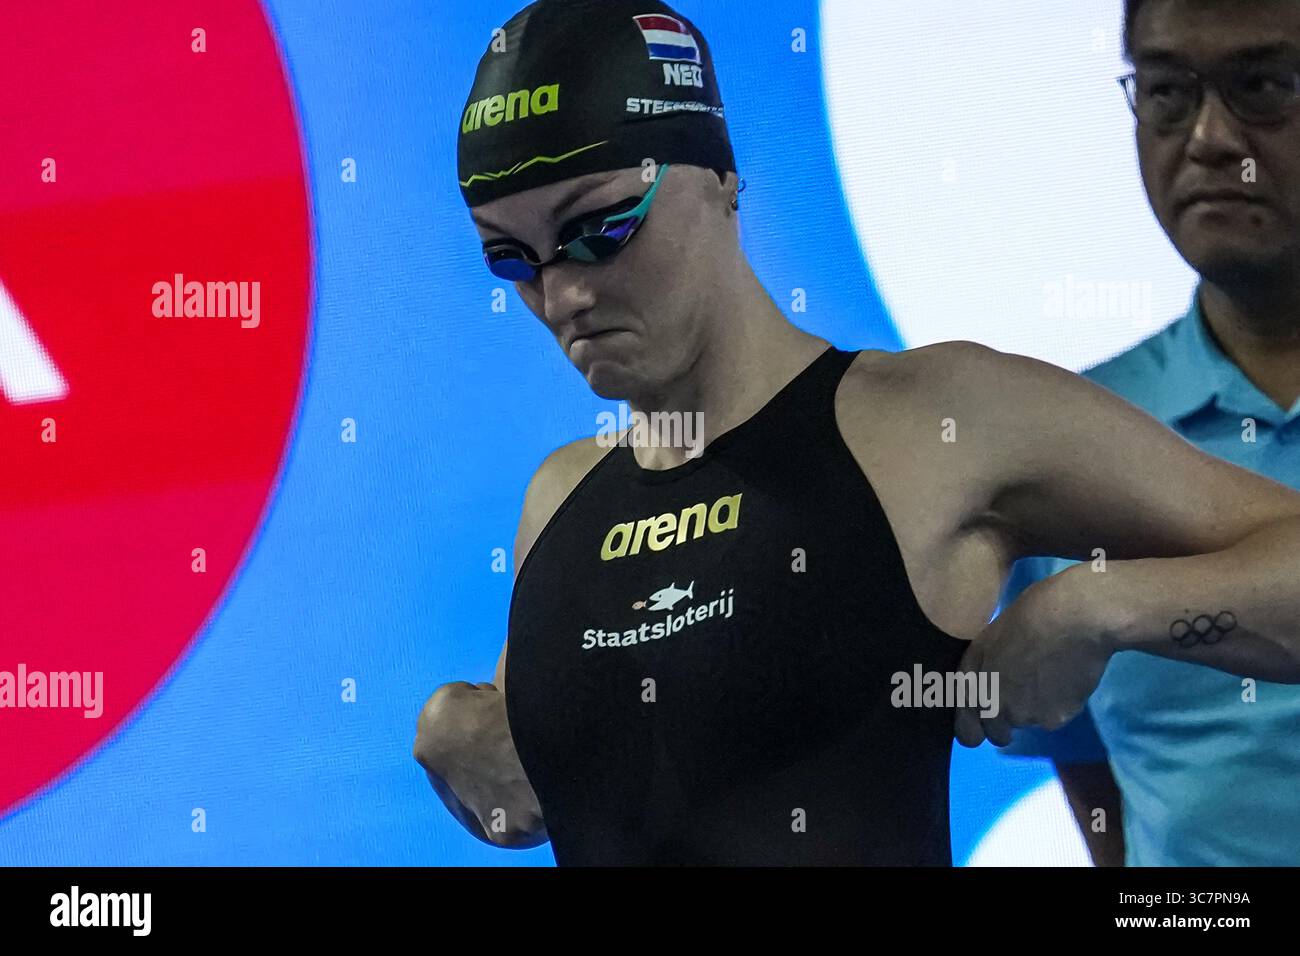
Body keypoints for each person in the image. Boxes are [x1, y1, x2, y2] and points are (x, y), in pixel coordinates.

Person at [413, 0, 1300, 865]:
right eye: (512, 258)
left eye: (600, 228)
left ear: (722, 180)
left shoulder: (934, 421)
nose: (563, 295)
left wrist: (1100, 607)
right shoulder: (561, 500)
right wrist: (469, 733)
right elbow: (555, 789)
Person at [999, 0, 1300, 867]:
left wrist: (1101, 607)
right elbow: (1103, 806)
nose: (1207, 136)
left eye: (1264, 85)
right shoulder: (1069, 443)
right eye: (1166, 89)